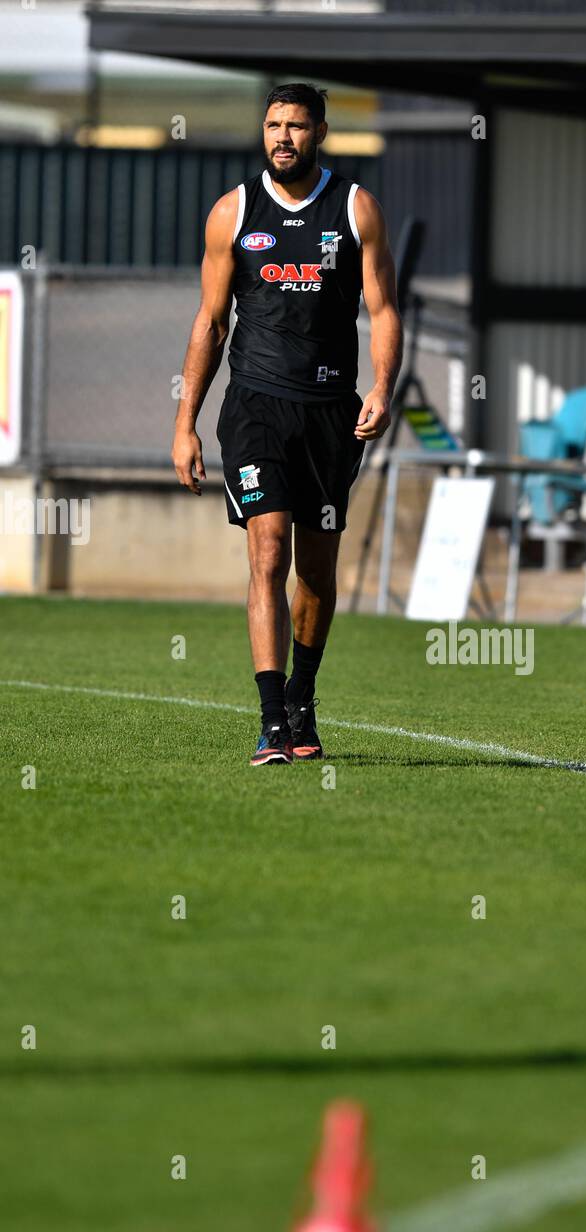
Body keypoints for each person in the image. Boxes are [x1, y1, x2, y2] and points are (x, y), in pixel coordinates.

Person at [172, 83, 403, 764]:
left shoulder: (356, 209)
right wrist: (185, 421)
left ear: (320, 132)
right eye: (273, 125)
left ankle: (302, 698)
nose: (282, 137)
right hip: (255, 408)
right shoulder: (232, 212)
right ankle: (272, 720)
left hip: (331, 411)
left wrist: (383, 388)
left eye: (296, 127)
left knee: (317, 573)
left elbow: (383, 310)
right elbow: (211, 323)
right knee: (267, 550)